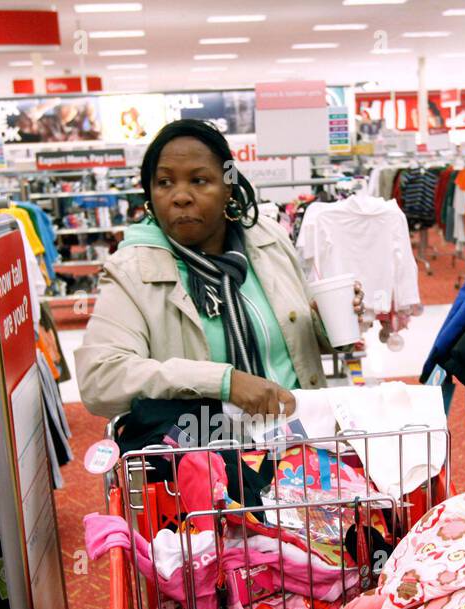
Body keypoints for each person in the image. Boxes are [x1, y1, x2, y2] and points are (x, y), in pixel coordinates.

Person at [75, 119, 363, 419]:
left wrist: (328, 321)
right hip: (202, 452)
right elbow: (101, 377)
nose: (180, 196)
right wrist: (224, 382)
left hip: (298, 443)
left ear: (228, 186)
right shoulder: (132, 271)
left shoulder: (267, 240)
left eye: (199, 180)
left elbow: (298, 341)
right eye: (164, 183)